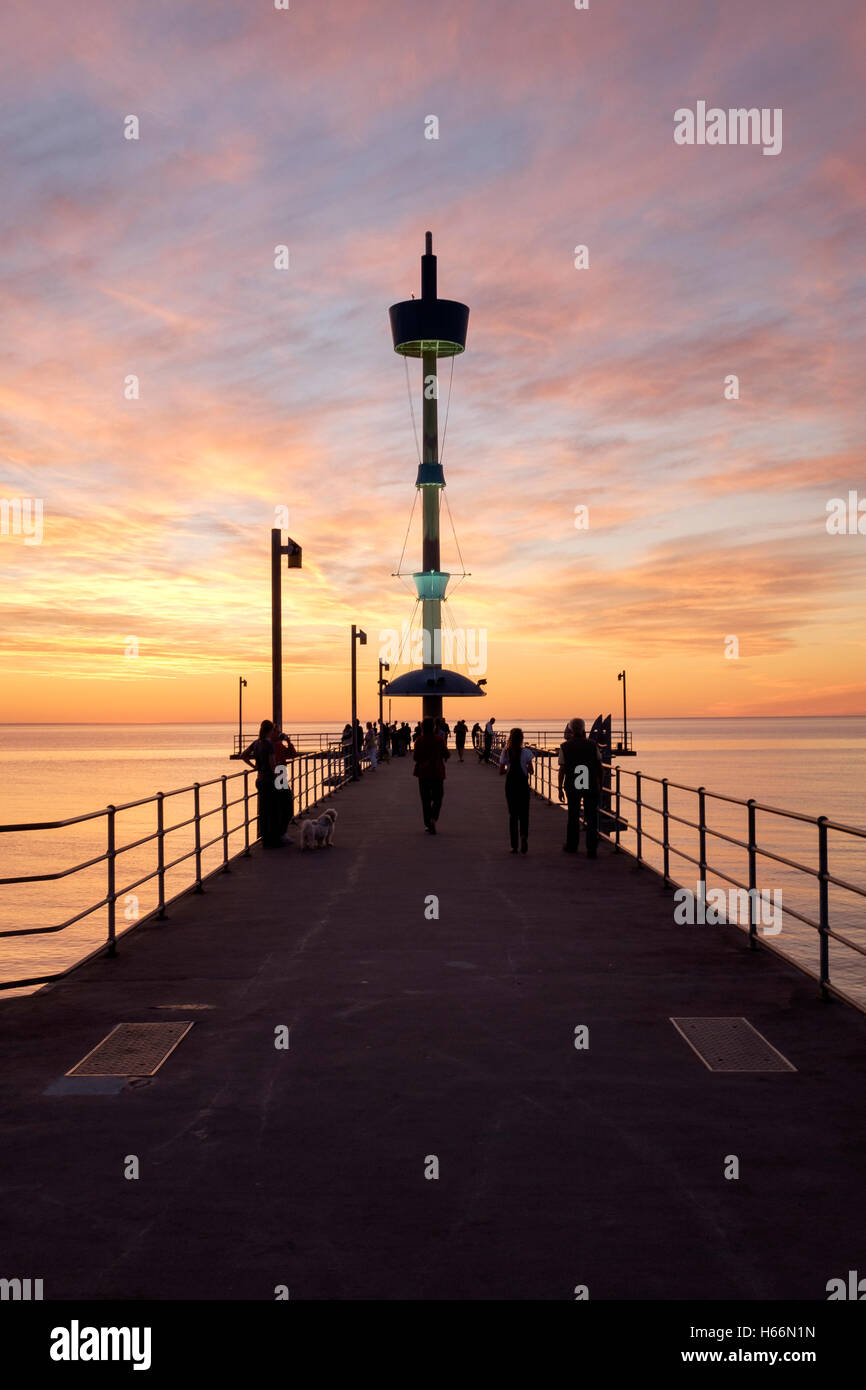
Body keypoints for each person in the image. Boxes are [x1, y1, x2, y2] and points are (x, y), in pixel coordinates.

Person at [558, 717, 603, 857]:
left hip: (572, 786)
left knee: (573, 816)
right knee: (591, 817)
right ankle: (591, 849)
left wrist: (559, 787)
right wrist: (600, 783)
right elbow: (600, 767)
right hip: (590, 785)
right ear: (584, 729)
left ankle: (572, 846)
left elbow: (562, 769)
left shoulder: (565, 746)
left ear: (570, 730)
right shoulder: (592, 745)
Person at [239, 719, 281, 848]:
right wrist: (278, 777)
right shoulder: (269, 745)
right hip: (269, 780)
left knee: (262, 810)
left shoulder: (256, 743)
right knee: (272, 810)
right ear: (270, 730)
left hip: (260, 779)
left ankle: (264, 838)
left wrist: (253, 766)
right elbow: (273, 765)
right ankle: (272, 839)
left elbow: (243, 755)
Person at [499, 728, 534, 854]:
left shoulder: (506, 752)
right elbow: (531, 771)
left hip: (511, 786)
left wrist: (508, 768)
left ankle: (514, 845)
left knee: (513, 815)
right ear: (522, 738)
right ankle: (524, 836)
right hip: (523, 786)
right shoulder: (526, 752)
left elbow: (500, 771)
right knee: (524, 813)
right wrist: (525, 767)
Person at [413, 715, 450, 834]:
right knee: (438, 797)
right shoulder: (439, 739)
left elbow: (415, 757)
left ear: (422, 727)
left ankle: (428, 823)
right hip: (437, 773)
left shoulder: (419, 740)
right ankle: (434, 818)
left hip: (423, 774)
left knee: (425, 800)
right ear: (434, 727)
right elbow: (446, 753)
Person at [270, 726, 297, 842]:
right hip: (279, 776)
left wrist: (288, 742)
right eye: (277, 732)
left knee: (280, 807)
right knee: (286, 807)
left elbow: (291, 754)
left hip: (279, 776)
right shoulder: (274, 745)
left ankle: (279, 833)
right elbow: (292, 754)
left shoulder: (277, 745)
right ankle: (282, 833)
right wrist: (287, 741)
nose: (279, 734)